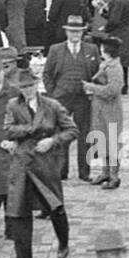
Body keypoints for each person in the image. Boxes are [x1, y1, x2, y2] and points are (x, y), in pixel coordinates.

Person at [2, 68, 76, 258]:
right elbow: (8, 129)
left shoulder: (52, 106)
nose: (26, 90)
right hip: (22, 163)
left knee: (55, 207)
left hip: (46, 163)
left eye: (29, 86)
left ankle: (63, 243)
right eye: (22, 87)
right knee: (19, 211)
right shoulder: (13, 106)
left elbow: (72, 130)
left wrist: (52, 141)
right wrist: (30, 129)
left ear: (37, 86)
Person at [43, 12, 99, 182]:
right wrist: (53, 95)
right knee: (62, 134)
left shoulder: (91, 49)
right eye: (72, 32)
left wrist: (92, 90)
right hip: (62, 98)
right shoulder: (55, 49)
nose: (75, 35)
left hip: (83, 98)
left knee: (85, 135)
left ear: (83, 33)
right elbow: (47, 74)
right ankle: (61, 170)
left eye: (78, 32)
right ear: (66, 32)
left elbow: (97, 74)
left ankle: (84, 172)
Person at [84, 34, 124, 188]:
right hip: (100, 109)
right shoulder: (106, 64)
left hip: (111, 110)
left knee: (112, 141)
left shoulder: (114, 68)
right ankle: (105, 171)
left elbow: (113, 90)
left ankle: (114, 176)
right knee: (102, 140)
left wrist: (91, 87)